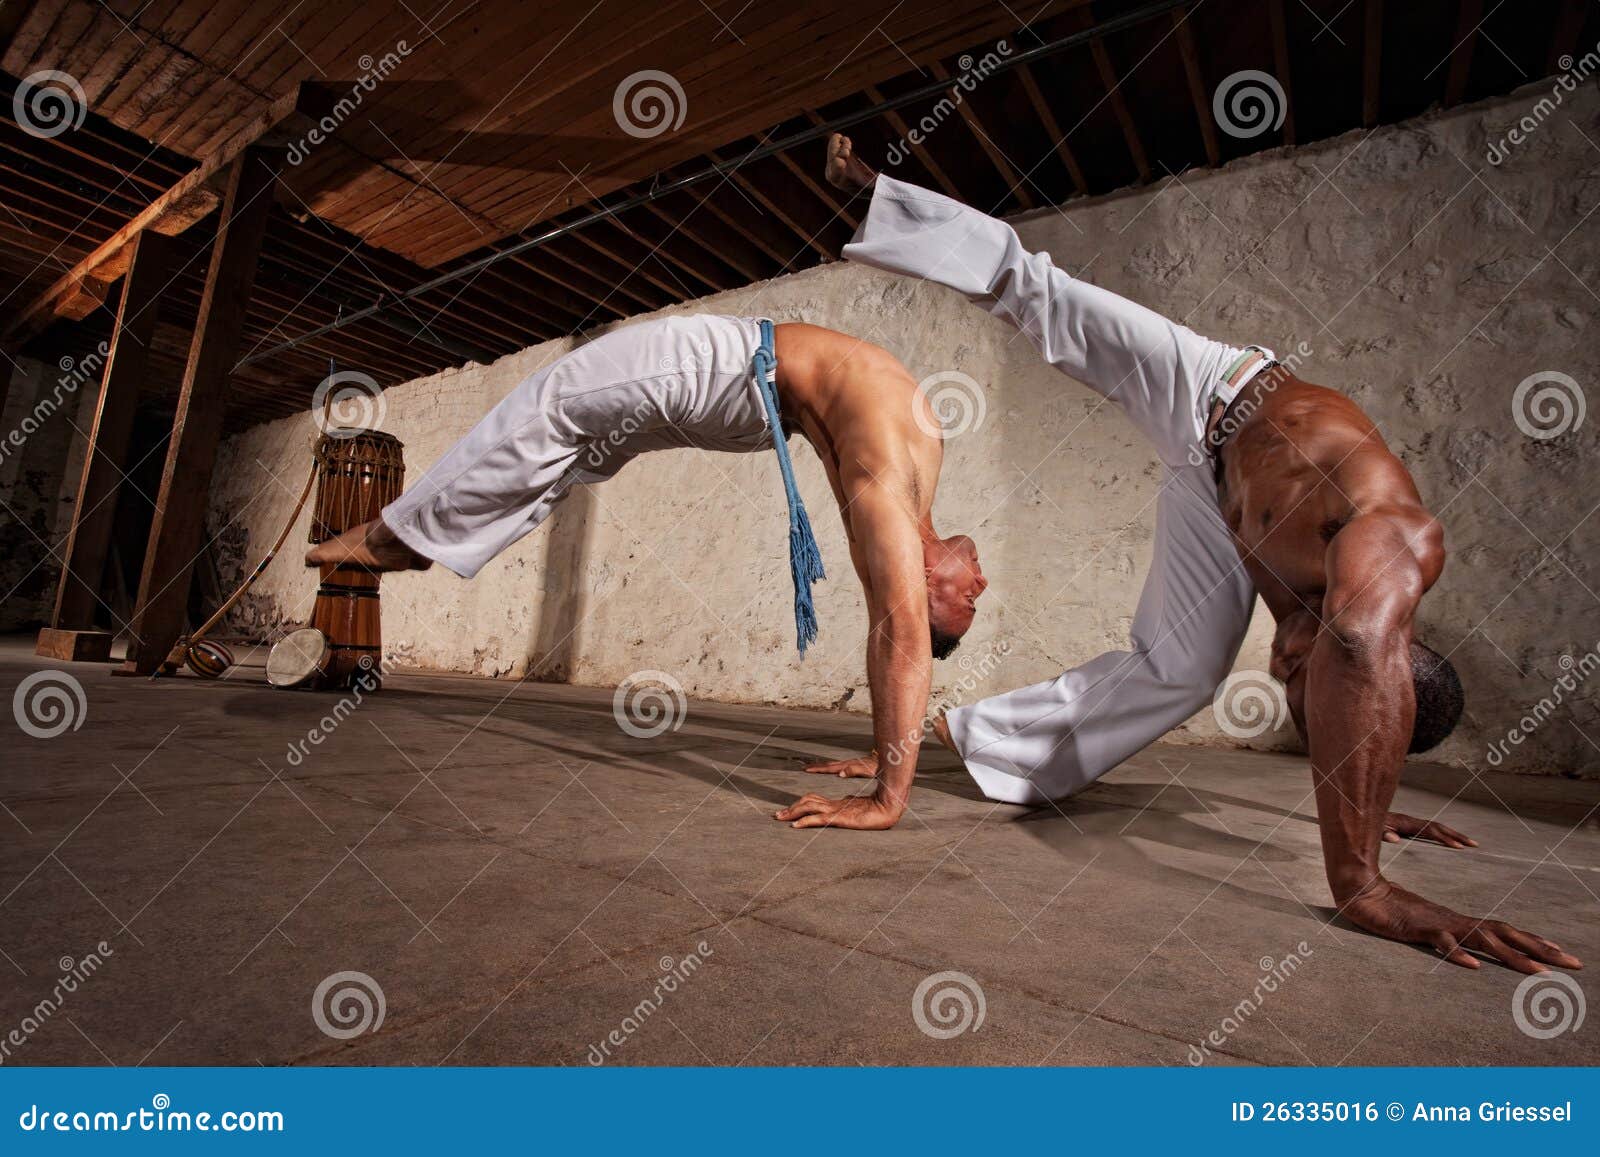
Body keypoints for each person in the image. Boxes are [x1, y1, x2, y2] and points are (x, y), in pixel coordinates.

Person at [798, 135, 1581, 975]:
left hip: (1212, 501)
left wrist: (1368, 795)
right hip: (1218, 394)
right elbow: (1355, 648)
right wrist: (1363, 879)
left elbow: (1351, 681)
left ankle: (958, 734)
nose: (1287, 674)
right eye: (1310, 694)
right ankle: (880, 191)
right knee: (1040, 296)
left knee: (1180, 671)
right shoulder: (1394, 544)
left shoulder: (1347, 647)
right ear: (1397, 652)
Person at [307, 313, 987, 831]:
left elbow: (898, 628)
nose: (980, 587)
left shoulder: (892, 494)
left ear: (925, 584)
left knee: (557, 398)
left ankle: (399, 534)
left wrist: (886, 797)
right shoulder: (909, 496)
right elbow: (886, 615)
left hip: (724, 373)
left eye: (966, 607)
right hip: (749, 391)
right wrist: (880, 751)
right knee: (579, 446)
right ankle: (434, 534)